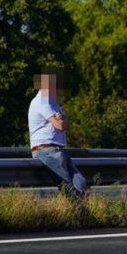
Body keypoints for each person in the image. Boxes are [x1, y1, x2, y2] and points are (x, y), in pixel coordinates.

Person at [28, 69, 88, 198]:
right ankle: (80, 214)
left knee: (81, 183)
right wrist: (61, 120)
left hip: (59, 149)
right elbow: (61, 125)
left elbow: (66, 124)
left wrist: (62, 121)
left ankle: (82, 213)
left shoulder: (52, 102)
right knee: (69, 188)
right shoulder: (41, 101)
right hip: (46, 150)